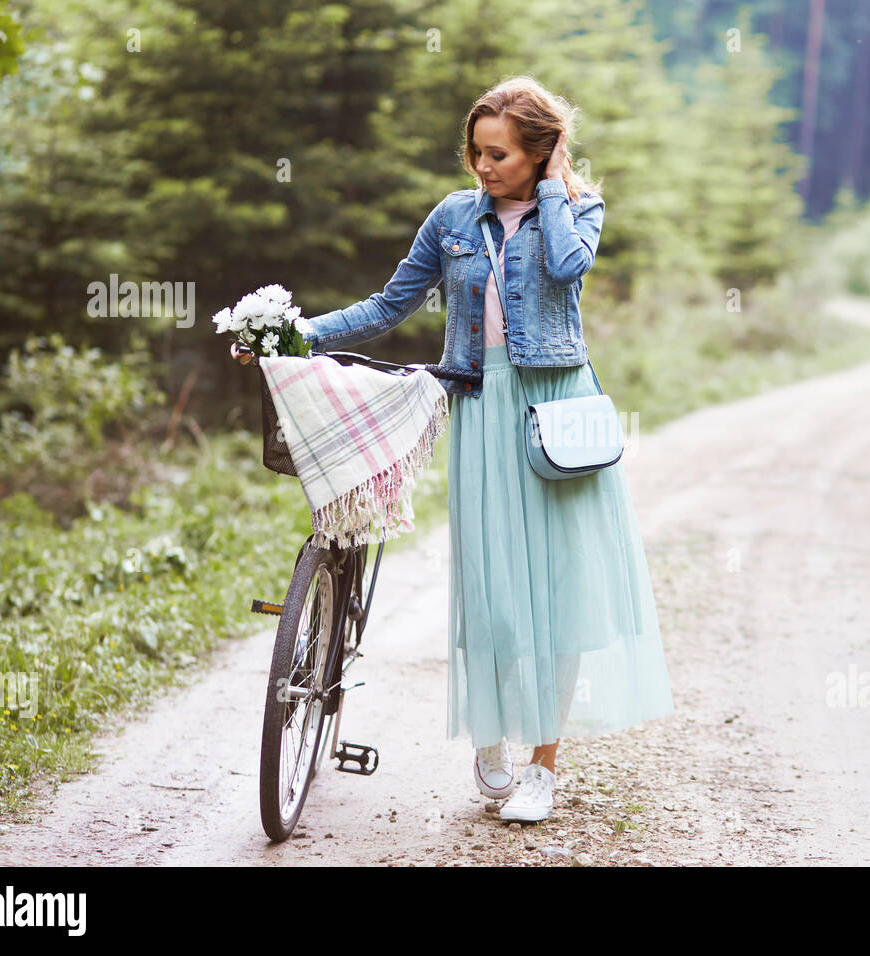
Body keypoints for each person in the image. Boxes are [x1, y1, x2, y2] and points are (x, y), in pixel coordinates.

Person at [234, 76, 674, 824]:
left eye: (499, 154)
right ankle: (491, 739)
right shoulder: (453, 219)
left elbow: (568, 269)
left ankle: (543, 766)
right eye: (475, 151)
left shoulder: (578, 209)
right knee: (494, 591)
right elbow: (388, 305)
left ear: (541, 151)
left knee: (557, 598)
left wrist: (559, 188)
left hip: (553, 410)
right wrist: (295, 334)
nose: (483, 167)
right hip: (479, 405)